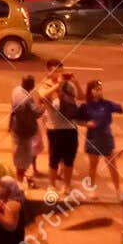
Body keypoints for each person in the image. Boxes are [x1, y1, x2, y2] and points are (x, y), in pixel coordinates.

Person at [39, 65, 81, 194]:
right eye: (56, 70)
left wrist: (76, 83)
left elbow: (81, 97)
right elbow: (43, 96)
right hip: (55, 129)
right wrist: (58, 85)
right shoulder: (45, 86)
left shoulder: (69, 86)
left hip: (71, 128)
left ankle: (67, 185)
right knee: (54, 159)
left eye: (61, 70)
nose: (59, 73)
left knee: (69, 159)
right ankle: (51, 185)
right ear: (50, 71)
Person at [79, 78, 123, 197]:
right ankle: (91, 189)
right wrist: (86, 124)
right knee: (93, 167)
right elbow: (77, 120)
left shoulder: (107, 104)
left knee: (112, 166)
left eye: (100, 89)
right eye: (96, 89)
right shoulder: (85, 106)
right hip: (93, 139)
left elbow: (121, 108)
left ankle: (118, 190)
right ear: (90, 91)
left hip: (106, 139)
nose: (98, 91)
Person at [8, 76, 42, 185]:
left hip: (16, 126)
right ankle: (20, 181)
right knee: (24, 156)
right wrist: (43, 106)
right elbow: (36, 114)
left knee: (19, 152)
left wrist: (9, 124)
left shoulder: (16, 90)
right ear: (31, 85)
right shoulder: (27, 99)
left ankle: (22, 176)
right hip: (25, 130)